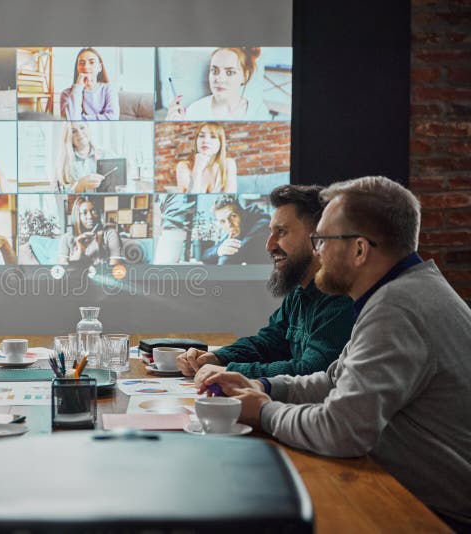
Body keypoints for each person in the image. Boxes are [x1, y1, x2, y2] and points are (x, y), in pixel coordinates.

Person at [196, 176, 471, 529]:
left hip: (436, 517)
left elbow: (341, 430)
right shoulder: (404, 291)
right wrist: (265, 387)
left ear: (359, 250)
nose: (317, 251)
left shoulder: (396, 308)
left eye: (323, 240)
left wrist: (263, 411)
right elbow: (332, 379)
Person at [177, 185, 354, 378]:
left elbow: (311, 372)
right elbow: (268, 343)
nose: (269, 245)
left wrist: (229, 371)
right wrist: (215, 358)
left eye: (282, 232)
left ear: (318, 238)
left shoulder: (340, 297)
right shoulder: (300, 292)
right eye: (271, 232)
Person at [166, 47, 266, 121]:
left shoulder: (258, 110)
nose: (219, 79)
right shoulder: (195, 110)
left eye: (230, 72)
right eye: (214, 71)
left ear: (245, 76)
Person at [201, 194, 270, 265]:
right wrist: (218, 251)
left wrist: (222, 252)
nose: (229, 225)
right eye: (222, 221)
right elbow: (205, 256)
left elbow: (227, 260)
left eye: (232, 216)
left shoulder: (262, 225)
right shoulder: (237, 230)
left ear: (242, 214)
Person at [58, 196, 124, 267]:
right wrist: (80, 249)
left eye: (93, 211)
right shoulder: (66, 238)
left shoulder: (109, 233)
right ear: (77, 216)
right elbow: (63, 270)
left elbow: (115, 267)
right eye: (84, 212)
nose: (90, 216)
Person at [175, 123, 237, 193]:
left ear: (220, 143)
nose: (205, 141)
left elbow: (230, 199)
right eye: (201, 136)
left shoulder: (228, 164)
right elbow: (189, 200)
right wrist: (197, 171)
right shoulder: (183, 166)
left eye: (213, 137)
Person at [60, 47, 119, 120]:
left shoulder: (109, 89)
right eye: (81, 63)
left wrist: (80, 118)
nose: (86, 67)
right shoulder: (66, 94)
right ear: (77, 68)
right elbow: (69, 120)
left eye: (91, 62)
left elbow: (113, 118)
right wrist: (78, 87)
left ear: (99, 67)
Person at [54, 122, 111, 193]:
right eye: (73, 131)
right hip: (76, 203)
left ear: (88, 129)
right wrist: (79, 186)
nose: (79, 133)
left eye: (82, 128)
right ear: (69, 137)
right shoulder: (63, 163)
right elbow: (58, 193)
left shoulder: (106, 154)